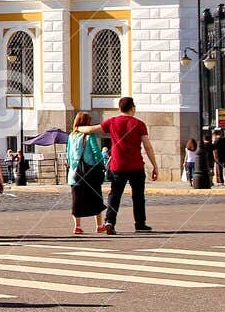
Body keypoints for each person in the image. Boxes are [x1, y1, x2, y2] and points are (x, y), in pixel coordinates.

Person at [81, 96, 158, 235]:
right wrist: (155, 165)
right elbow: (148, 146)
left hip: (118, 166)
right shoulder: (139, 124)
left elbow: (93, 129)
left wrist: (78, 128)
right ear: (133, 108)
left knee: (115, 195)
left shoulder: (112, 122)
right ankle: (140, 224)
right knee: (138, 196)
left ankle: (110, 221)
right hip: (136, 165)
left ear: (120, 108)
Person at [66, 112, 108, 235]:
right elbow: (96, 152)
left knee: (76, 200)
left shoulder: (71, 136)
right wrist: (101, 164)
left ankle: (77, 226)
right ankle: (99, 225)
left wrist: (72, 166)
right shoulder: (90, 136)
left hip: (75, 173)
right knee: (96, 198)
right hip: (90, 172)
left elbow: (68, 153)